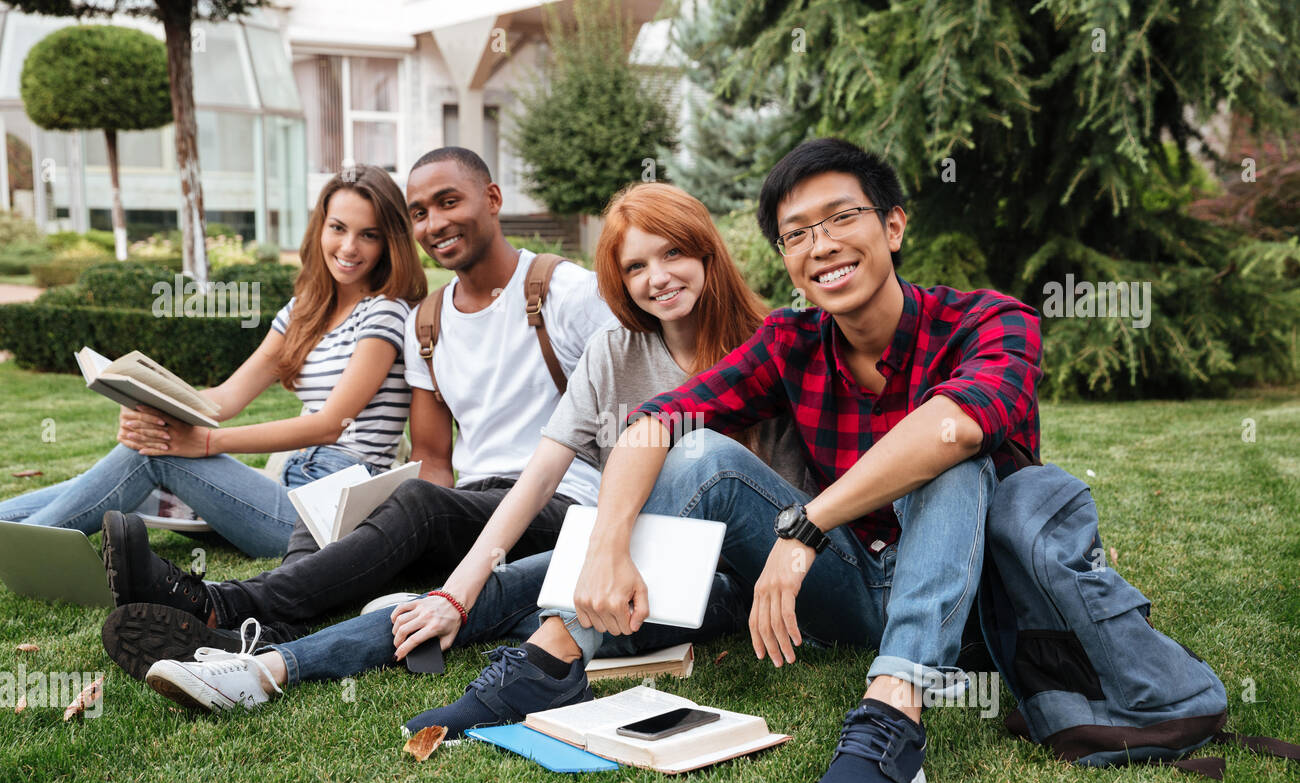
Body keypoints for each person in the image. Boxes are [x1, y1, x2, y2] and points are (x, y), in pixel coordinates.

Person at [442, 138, 1041, 783]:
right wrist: (606, 547)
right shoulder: (791, 340)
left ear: (893, 226)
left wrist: (806, 525)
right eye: (798, 234)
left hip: (958, 595)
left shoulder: (992, 320)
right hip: (849, 587)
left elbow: (956, 428)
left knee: (948, 456)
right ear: (785, 255)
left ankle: (892, 714)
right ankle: (550, 661)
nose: (822, 245)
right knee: (698, 450)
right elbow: (653, 421)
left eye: (842, 219)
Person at [119, 182, 814, 712]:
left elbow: (785, 500)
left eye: (673, 254)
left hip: (722, 576)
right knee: (474, 598)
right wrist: (456, 590)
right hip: (613, 553)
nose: (657, 278)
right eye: (635, 268)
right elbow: (541, 474)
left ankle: (285, 637)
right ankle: (262, 669)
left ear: (705, 251)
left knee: (517, 599)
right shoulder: (614, 351)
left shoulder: (769, 346)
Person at [96, 147, 613, 677]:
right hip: (477, 514)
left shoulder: (566, 291)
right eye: (419, 213)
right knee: (337, 510)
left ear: (493, 199)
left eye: (449, 202)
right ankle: (253, 636)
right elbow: (434, 458)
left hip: (564, 510)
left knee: (419, 506)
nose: (435, 223)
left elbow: (635, 421)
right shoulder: (428, 323)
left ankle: (220, 603)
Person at [0, 164, 425, 559]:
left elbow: (331, 423)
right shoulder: (303, 309)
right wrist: (153, 410)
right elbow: (225, 398)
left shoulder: (385, 312)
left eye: (368, 234)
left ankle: (27, 552)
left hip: (328, 513)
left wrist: (207, 442)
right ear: (320, 229)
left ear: (390, 242)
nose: (349, 247)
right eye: (338, 228)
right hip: (289, 488)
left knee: (158, 454)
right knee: (146, 448)